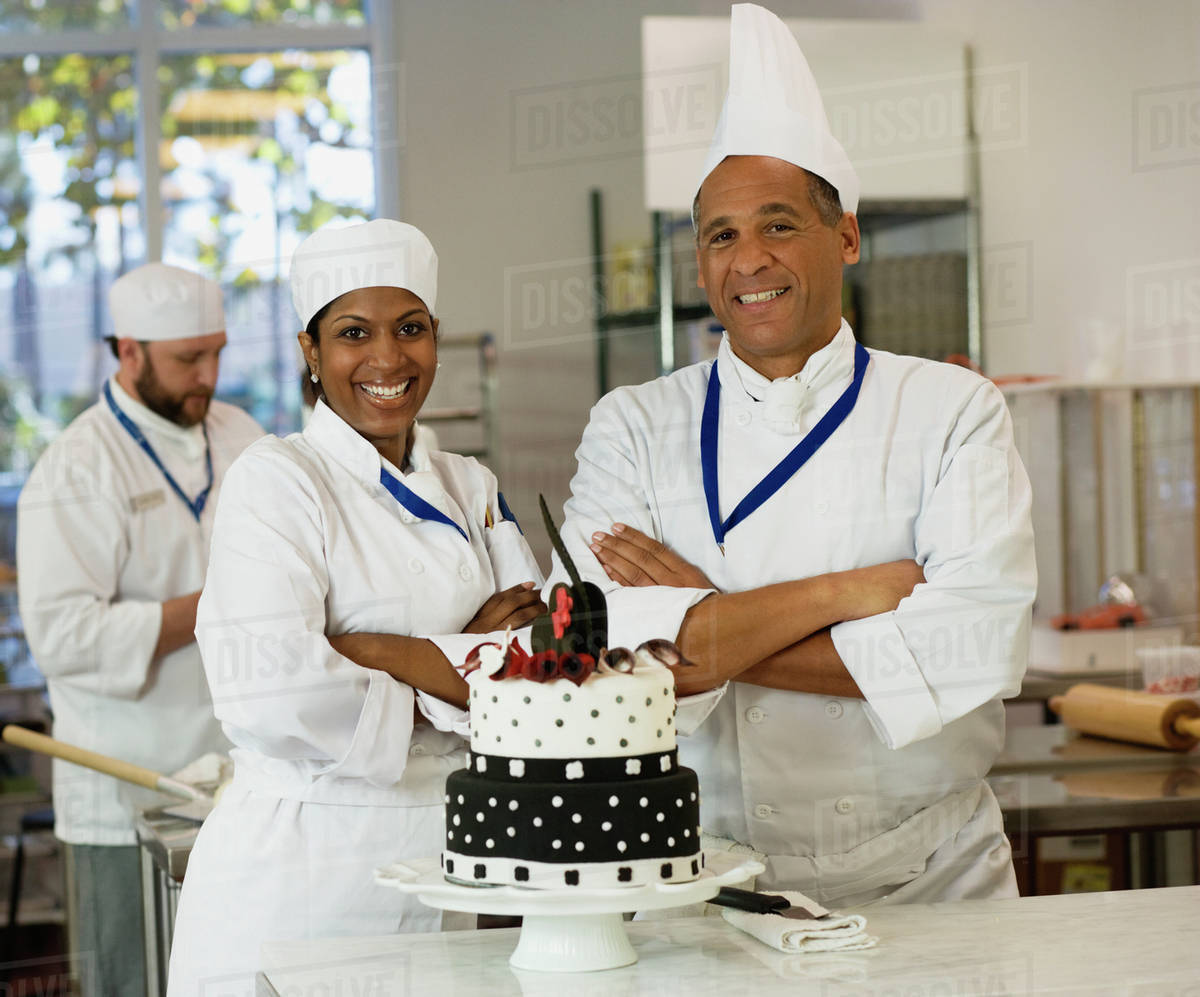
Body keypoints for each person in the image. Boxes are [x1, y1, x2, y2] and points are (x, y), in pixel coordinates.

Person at [553, 3, 1036, 908]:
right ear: (699, 266)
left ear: (845, 235)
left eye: (779, 224)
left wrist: (698, 626)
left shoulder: (952, 409)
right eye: (721, 236)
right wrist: (845, 594)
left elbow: (970, 645)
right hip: (695, 881)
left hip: (930, 880)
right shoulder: (631, 424)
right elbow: (594, 649)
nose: (749, 259)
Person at [167, 219, 545, 995]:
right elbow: (277, 688)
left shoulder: (470, 484)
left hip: (441, 868)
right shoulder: (277, 480)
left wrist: (373, 650)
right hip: (296, 878)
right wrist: (458, 662)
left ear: (436, 336)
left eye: (410, 328)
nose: (386, 357)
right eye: (352, 332)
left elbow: (539, 674)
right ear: (311, 350)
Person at [16, 262, 264, 997]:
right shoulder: (74, 469)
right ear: (129, 353)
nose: (209, 374)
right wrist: (215, 602)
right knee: (132, 980)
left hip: (239, 785)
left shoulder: (242, 434)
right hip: (125, 797)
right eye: (189, 358)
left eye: (217, 351)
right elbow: (60, 636)